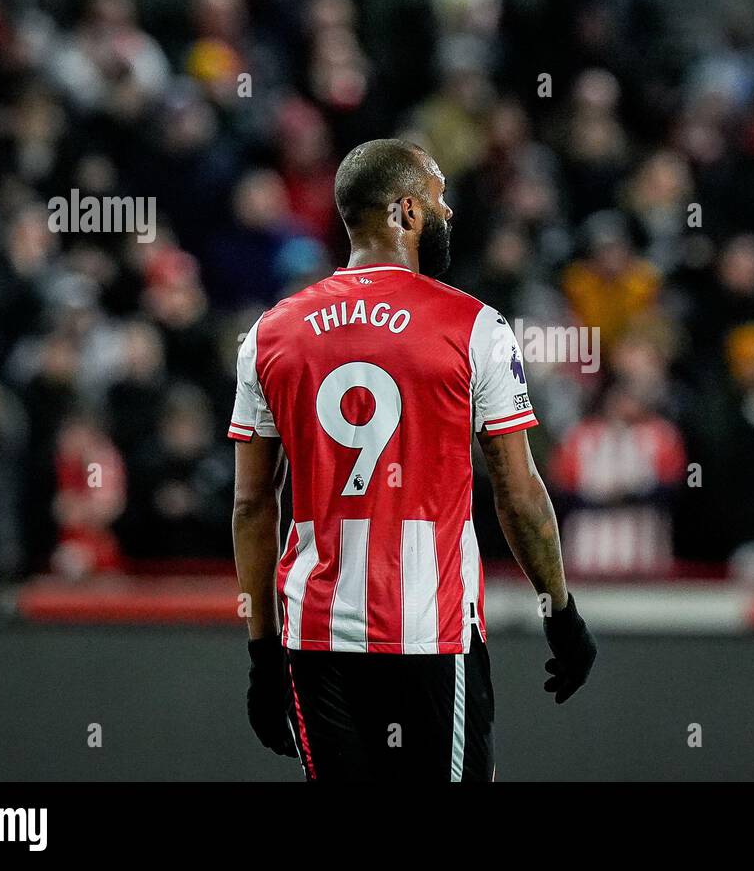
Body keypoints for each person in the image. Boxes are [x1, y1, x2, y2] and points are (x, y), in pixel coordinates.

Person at [231, 138, 596, 782]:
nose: (448, 214)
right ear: (405, 212)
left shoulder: (270, 334)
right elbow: (517, 490)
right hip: (432, 629)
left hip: (315, 637)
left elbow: (252, 504)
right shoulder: (476, 327)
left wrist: (263, 653)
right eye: (438, 198)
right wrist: (559, 609)